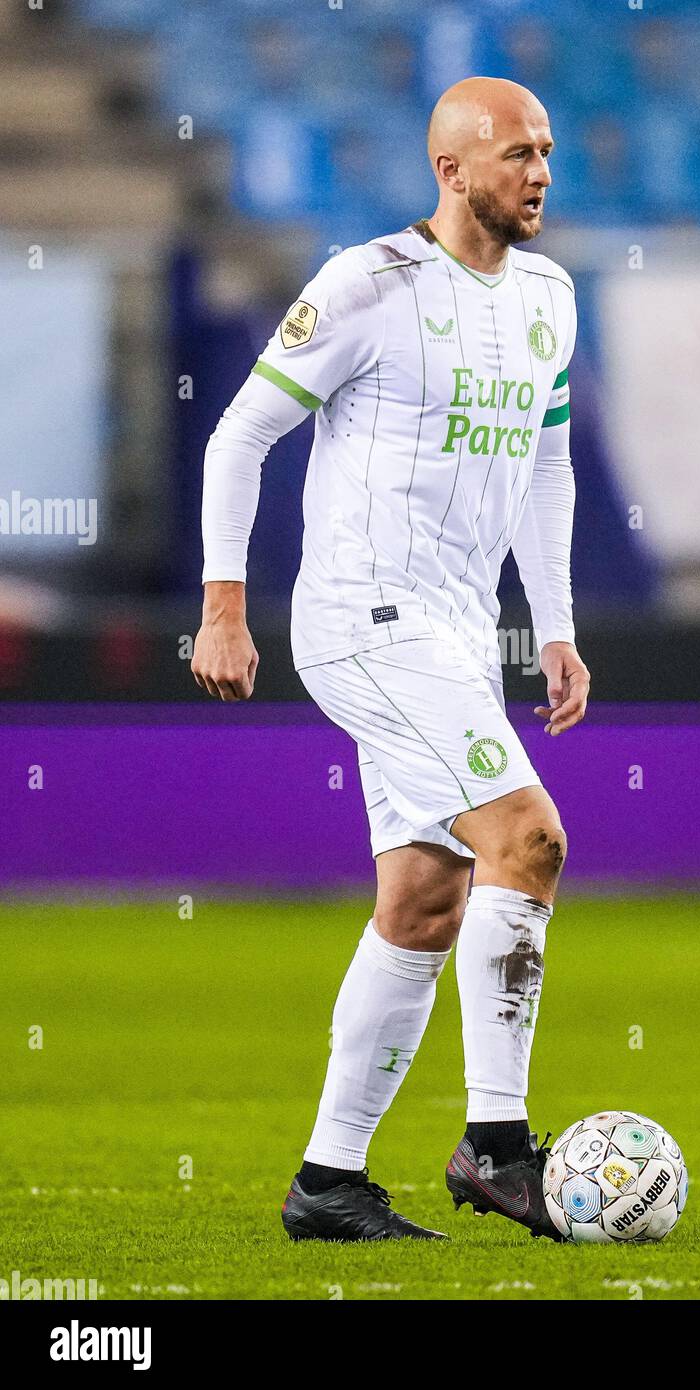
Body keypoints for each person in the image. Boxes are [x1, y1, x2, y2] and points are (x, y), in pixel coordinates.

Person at [193, 76, 590, 1242]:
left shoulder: (552, 299)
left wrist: (554, 627)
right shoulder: (367, 285)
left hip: (459, 634)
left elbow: (548, 469)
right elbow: (240, 434)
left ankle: (328, 1183)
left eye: (548, 152)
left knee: (424, 900)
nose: (539, 174)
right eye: (516, 153)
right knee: (530, 838)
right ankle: (498, 1146)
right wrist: (224, 603)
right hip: (362, 617)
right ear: (452, 169)